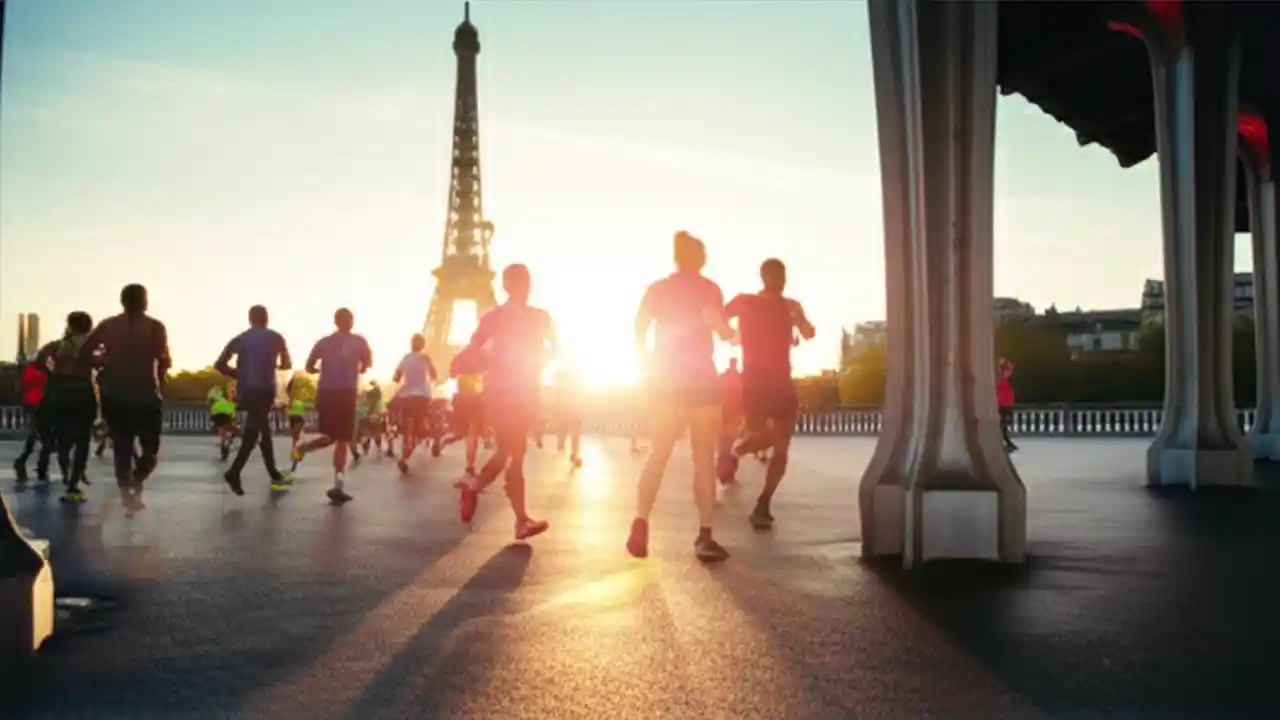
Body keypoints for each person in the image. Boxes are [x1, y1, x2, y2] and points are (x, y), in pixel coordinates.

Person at [628, 231, 736, 563]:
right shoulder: (708, 288)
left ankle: (641, 520)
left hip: (665, 376)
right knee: (702, 457)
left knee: (658, 452)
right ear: (700, 259)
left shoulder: (658, 288)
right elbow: (713, 321)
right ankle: (704, 536)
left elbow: (640, 323)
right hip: (700, 377)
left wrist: (643, 357)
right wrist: (730, 334)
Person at [451, 264, 553, 541]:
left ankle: (489, 497)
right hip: (519, 391)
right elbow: (553, 351)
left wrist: (463, 362)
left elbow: (474, 346)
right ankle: (517, 517)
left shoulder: (494, 317)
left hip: (505, 389)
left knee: (512, 452)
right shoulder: (540, 318)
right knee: (513, 451)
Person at [725, 259, 815, 529]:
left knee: (782, 446)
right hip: (757, 381)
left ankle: (764, 503)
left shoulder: (788, 306)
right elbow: (717, 318)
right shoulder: (746, 301)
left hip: (778, 381)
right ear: (766, 277)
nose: (781, 280)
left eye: (782, 275)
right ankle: (737, 451)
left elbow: (809, 333)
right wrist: (733, 334)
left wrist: (799, 324)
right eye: (777, 275)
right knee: (761, 437)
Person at [79, 283, 170, 513]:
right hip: (146, 394)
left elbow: (84, 354)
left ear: (122, 301)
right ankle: (137, 479)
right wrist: (161, 379)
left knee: (122, 446)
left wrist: (103, 361)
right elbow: (164, 359)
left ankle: (125, 491)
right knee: (150, 450)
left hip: (115, 394)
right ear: (145, 302)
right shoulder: (155, 327)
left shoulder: (108, 326)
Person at [292, 308, 372, 504]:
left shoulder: (324, 342)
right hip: (346, 392)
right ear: (351, 322)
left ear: (335, 322)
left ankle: (303, 448)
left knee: (330, 436)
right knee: (342, 439)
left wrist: (325, 368)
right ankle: (337, 484)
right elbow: (367, 364)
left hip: (327, 392)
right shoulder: (360, 342)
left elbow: (309, 366)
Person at [215, 305, 293, 495]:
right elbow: (286, 363)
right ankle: (234, 471)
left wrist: (240, 374)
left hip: (246, 390)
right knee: (253, 432)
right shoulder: (276, 338)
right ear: (266, 318)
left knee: (263, 430)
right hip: (264, 388)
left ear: (250, 319)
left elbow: (220, 364)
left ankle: (273, 472)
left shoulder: (240, 339)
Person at [31, 313, 98, 502]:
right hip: (83, 391)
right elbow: (106, 361)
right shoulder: (91, 345)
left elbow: (39, 361)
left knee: (64, 439)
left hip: (62, 391)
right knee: (83, 439)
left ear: (69, 325)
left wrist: (52, 373)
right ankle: (74, 483)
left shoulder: (57, 346)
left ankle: (66, 474)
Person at [392, 334, 438, 475]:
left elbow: (396, 377)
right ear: (423, 345)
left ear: (411, 344)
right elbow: (434, 375)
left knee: (408, 430)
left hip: (407, 397)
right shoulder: (425, 358)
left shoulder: (406, 358)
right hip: (422, 397)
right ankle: (406, 456)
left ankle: (404, 452)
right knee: (420, 431)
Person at [13, 354, 54, 486]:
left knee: (37, 437)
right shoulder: (37, 373)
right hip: (39, 405)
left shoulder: (27, 373)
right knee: (45, 440)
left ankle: (27, 464)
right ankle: (41, 468)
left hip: (32, 405)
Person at [446, 371, 486, 475]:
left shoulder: (461, 374)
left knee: (465, 434)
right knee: (472, 437)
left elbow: (452, 375)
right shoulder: (476, 371)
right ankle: (470, 464)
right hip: (474, 402)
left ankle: (469, 463)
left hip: (461, 402)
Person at [716, 357, 745, 485]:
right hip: (731, 414)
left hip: (724, 413)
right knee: (728, 445)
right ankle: (727, 472)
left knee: (723, 445)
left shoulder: (724, 378)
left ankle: (723, 472)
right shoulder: (738, 378)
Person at [553, 360, 585, 468]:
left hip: (569, 407)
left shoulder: (560, 374)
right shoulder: (576, 375)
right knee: (573, 432)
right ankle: (572, 451)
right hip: (570, 407)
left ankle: (572, 451)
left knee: (572, 432)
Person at [284, 376, 311, 458]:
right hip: (297, 410)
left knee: (295, 435)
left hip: (293, 409)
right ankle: (296, 452)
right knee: (297, 434)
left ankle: (295, 451)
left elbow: (287, 391)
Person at [210, 384, 238, 461]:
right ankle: (227, 445)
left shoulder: (218, 403)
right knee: (231, 433)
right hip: (226, 420)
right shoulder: (230, 404)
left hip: (219, 420)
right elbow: (233, 415)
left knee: (223, 435)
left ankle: (224, 447)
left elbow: (213, 412)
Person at [998, 357, 1017, 452]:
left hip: (1006, 406)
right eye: (1008, 370)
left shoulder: (1005, 381)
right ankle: (1006, 442)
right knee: (1002, 426)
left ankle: (1007, 442)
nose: (1010, 373)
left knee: (1004, 426)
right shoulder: (1001, 381)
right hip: (1002, 406)